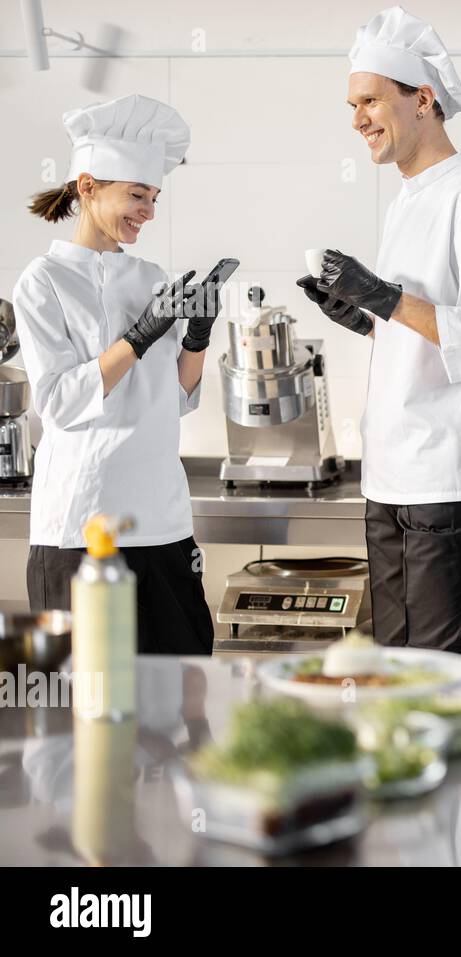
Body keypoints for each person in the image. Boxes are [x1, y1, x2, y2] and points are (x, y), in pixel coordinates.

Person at [297, 6, 461, 662]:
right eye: (352, 104)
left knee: (438, 674)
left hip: (447, 475)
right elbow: (424, 332)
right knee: (390, 667)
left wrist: (388, 297)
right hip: (391, 471)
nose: (357, 119)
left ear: (422, 99)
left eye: (369, 100)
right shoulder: (409, 198)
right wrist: (365, 317)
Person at [14, 93, 217, 654]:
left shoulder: (152, 275)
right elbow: (56, 401)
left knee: (182, 697)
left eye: (153, 197)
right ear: (87, 187)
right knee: (76, 715)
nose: (148, 210)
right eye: (135, 195)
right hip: (79, 527)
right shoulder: (42, 281)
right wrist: (140, 335)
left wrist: (196, 337)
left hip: (162, 523)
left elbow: (174, 397)